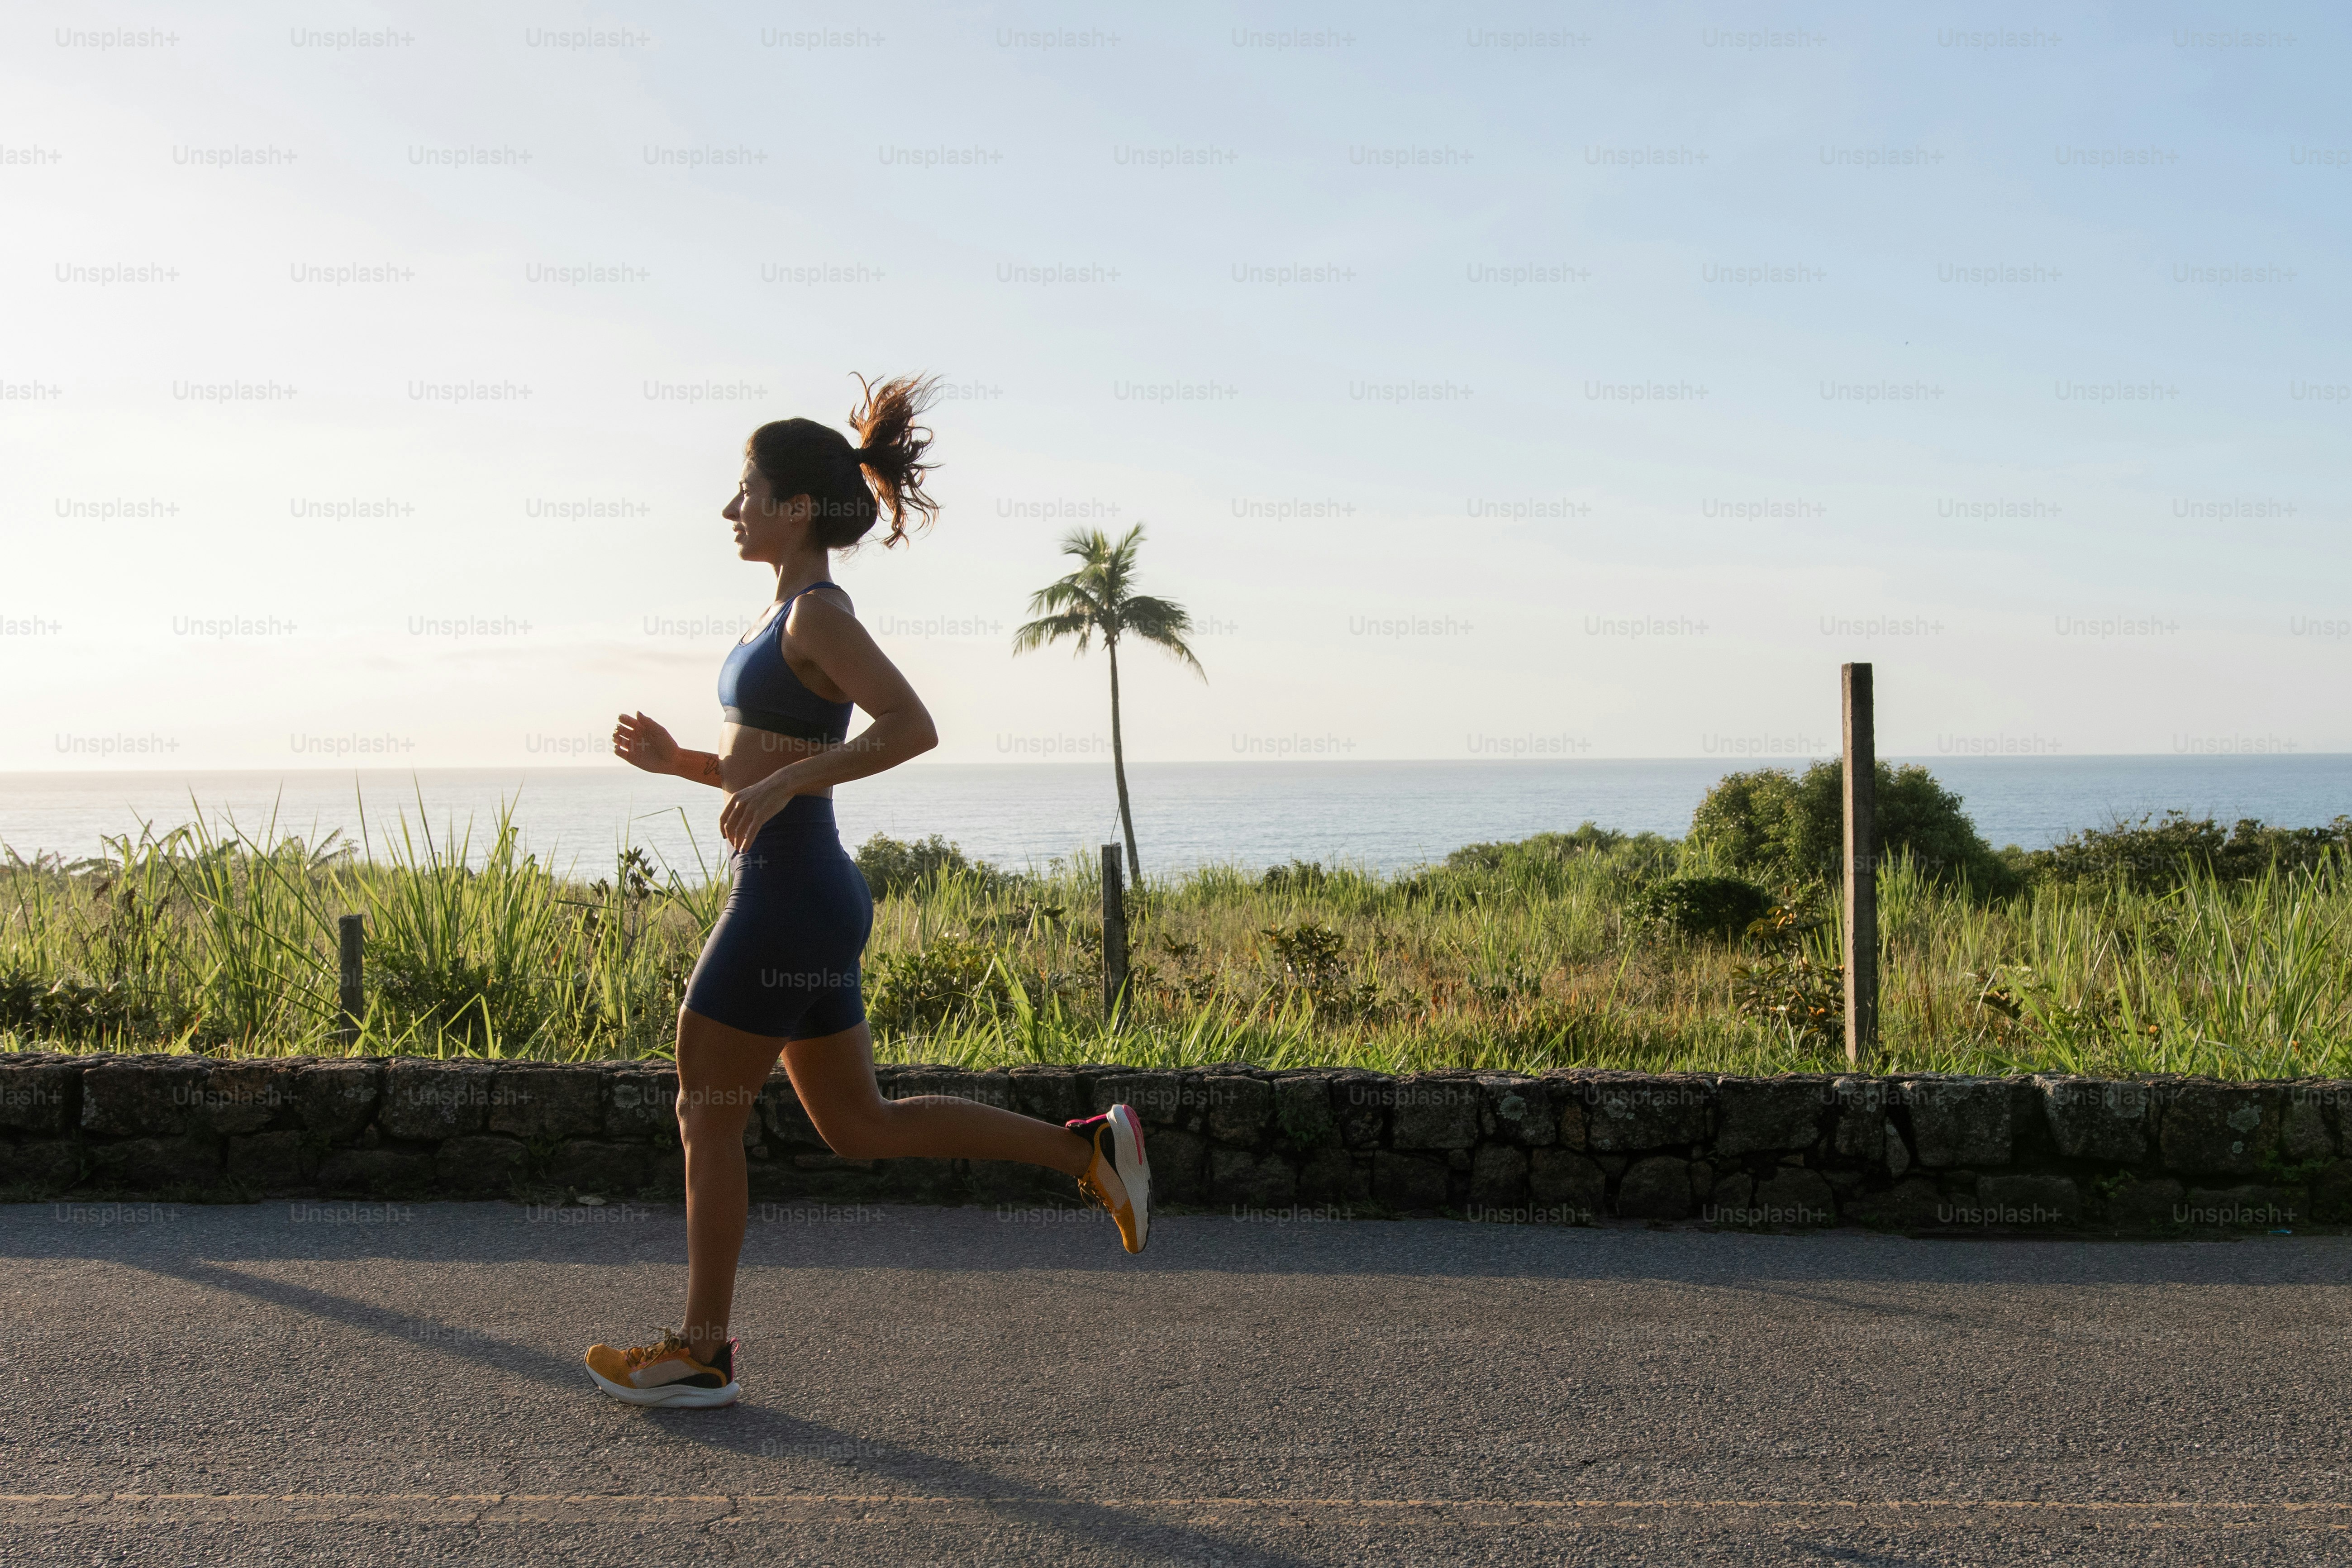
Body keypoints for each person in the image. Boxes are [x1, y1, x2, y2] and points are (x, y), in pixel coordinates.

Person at [583, 375, 1149, 1410]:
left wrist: (791, 777)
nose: (729, 508)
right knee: (861, 1125)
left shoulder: (818, 614)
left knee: (704, 1107)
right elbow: (771, 758)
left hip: (789, 892)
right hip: (808, 890)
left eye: (746, 489)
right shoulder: (780, 616)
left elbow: (911, 725)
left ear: (797, 506)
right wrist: (685, 764)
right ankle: (1087, 1150)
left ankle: (702, 1351)